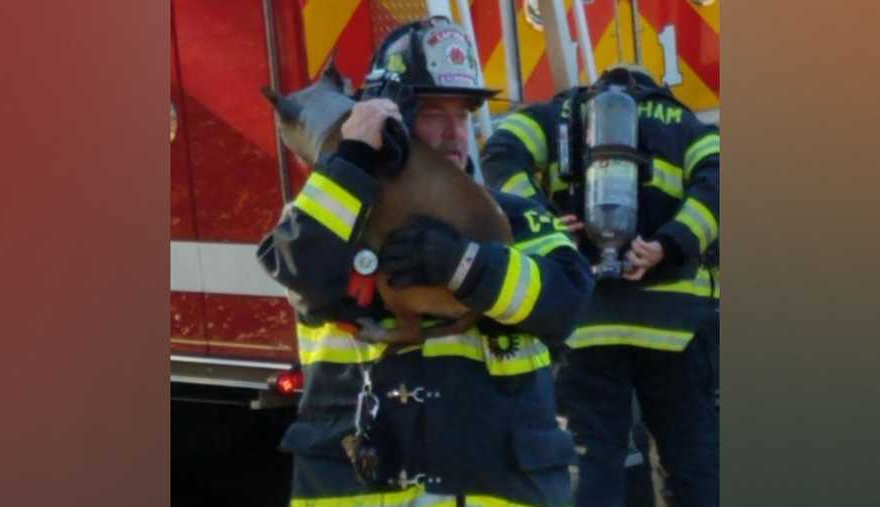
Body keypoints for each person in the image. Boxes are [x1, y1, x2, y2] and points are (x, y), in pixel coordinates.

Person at [257, 17, 594, 507]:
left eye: (463, 114)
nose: (455, 133)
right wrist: (351, 157)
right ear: (387, 116)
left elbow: (567, 301)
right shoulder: (329, 212)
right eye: (434, 113)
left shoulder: (513, 216)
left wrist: (465, 265)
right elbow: (302, 270)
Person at [480, 64, 720, 507]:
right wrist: (671, 244)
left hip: (586, 323)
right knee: (692, 459)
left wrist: (539, 218)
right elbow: (719, 180)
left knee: (593, 460)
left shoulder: (552, 116)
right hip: (675, 327)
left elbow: (498, 152)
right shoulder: (683, 122)